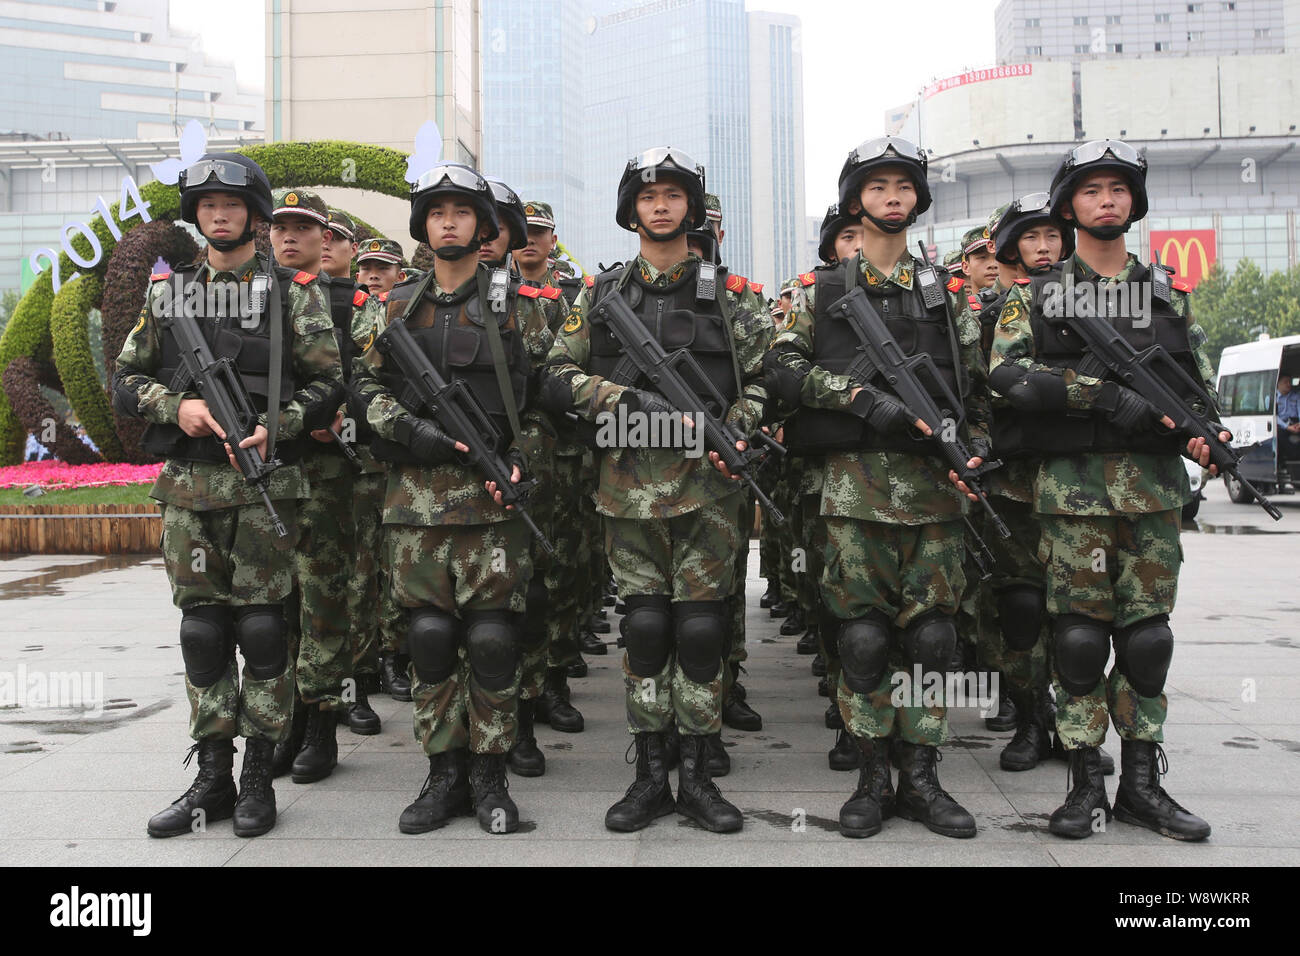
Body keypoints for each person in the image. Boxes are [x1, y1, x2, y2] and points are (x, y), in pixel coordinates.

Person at [988, 139, 1221, 841]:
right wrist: (1099, 397)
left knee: (1148, 640)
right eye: (1092, 191)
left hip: (1152, 495)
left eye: (1119, 189)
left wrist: (1205, 441)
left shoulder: (1168, 295)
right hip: (1074, 498)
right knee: (1081, 641)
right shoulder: (1034, 297)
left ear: (1134, 203)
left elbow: (1195, 394)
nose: (1108, 200)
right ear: (1070, 206)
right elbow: (1006, 380)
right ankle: (1086, 782)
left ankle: (1144, 784)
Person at [766, 136, 990, 840]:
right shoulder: (822, 291)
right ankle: (870, 776)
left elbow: (982, 398)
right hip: (853, 494)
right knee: (861, 640)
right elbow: (779, 373)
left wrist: (973, 451)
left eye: (903, 186)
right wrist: (861, 400)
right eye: (878, 186)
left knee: (931, 639)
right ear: (856, 201)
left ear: (917, 200)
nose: (892, 196)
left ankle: (921, 777)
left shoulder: (951, 296)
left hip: (934, 498)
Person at [541, 147, 771, 833]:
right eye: (649, 197)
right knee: (645, 631)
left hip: (709, 493)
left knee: (700, 633)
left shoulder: (731, 298)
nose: (662, 206)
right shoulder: (601, 296)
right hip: (629, 494)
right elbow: (555, 376)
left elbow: (767, 378)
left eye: (674, 195)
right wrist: (620, 400)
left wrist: (737, 425)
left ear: (691, 209)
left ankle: (698, 774)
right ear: (631, 210)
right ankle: (648, 773)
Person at [113, 153, 342, 838]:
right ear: (197, 215)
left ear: (254, 214)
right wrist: (174, 407)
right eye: (208, 204)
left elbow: (330, 383)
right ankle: (211, 776)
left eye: (232, 204)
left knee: (266, 632)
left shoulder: (293, 293)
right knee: (203, 633)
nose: (219, 213)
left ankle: (256, 777)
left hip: (262, 486)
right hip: (188, 490)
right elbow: (126, 375)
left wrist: (281, 425)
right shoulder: (171, 293)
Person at [349, 162, 553, 835]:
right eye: (436, 212)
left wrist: (525, 463)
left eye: (461, 212)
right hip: (415, 503)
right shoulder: (392, 307)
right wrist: (407, 429)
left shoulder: (521, 307)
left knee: (494, 642)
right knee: (429, 642)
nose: (448, 222)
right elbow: (363, 389)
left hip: (495, 506)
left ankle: (491, 778)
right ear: (423, 226)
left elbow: (553, 400)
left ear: (481, 225)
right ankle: (442, 775)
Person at [263, 188, 356, 783]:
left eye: (304, 228)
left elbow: (376, 381)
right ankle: (284, 723)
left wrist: (347, 419)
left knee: (323, 597)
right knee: (275, 602)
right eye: (281, 227)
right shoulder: (252, 298)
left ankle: (321, 724)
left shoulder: (352, 302)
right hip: (268, 469)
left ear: (327, 238)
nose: (290, 237)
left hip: (328, 471)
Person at [1277, 374, 1300, 475]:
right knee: (1279, 435)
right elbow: (1274, 416)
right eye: (1285, 382)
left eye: (1290, 382)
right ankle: (1287, 463)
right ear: (1278, 384)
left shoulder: (1296, 395)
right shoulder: (1273, 397)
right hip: (1282, 425)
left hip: (1295, 422)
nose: (1289, 384)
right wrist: (1287, 427)